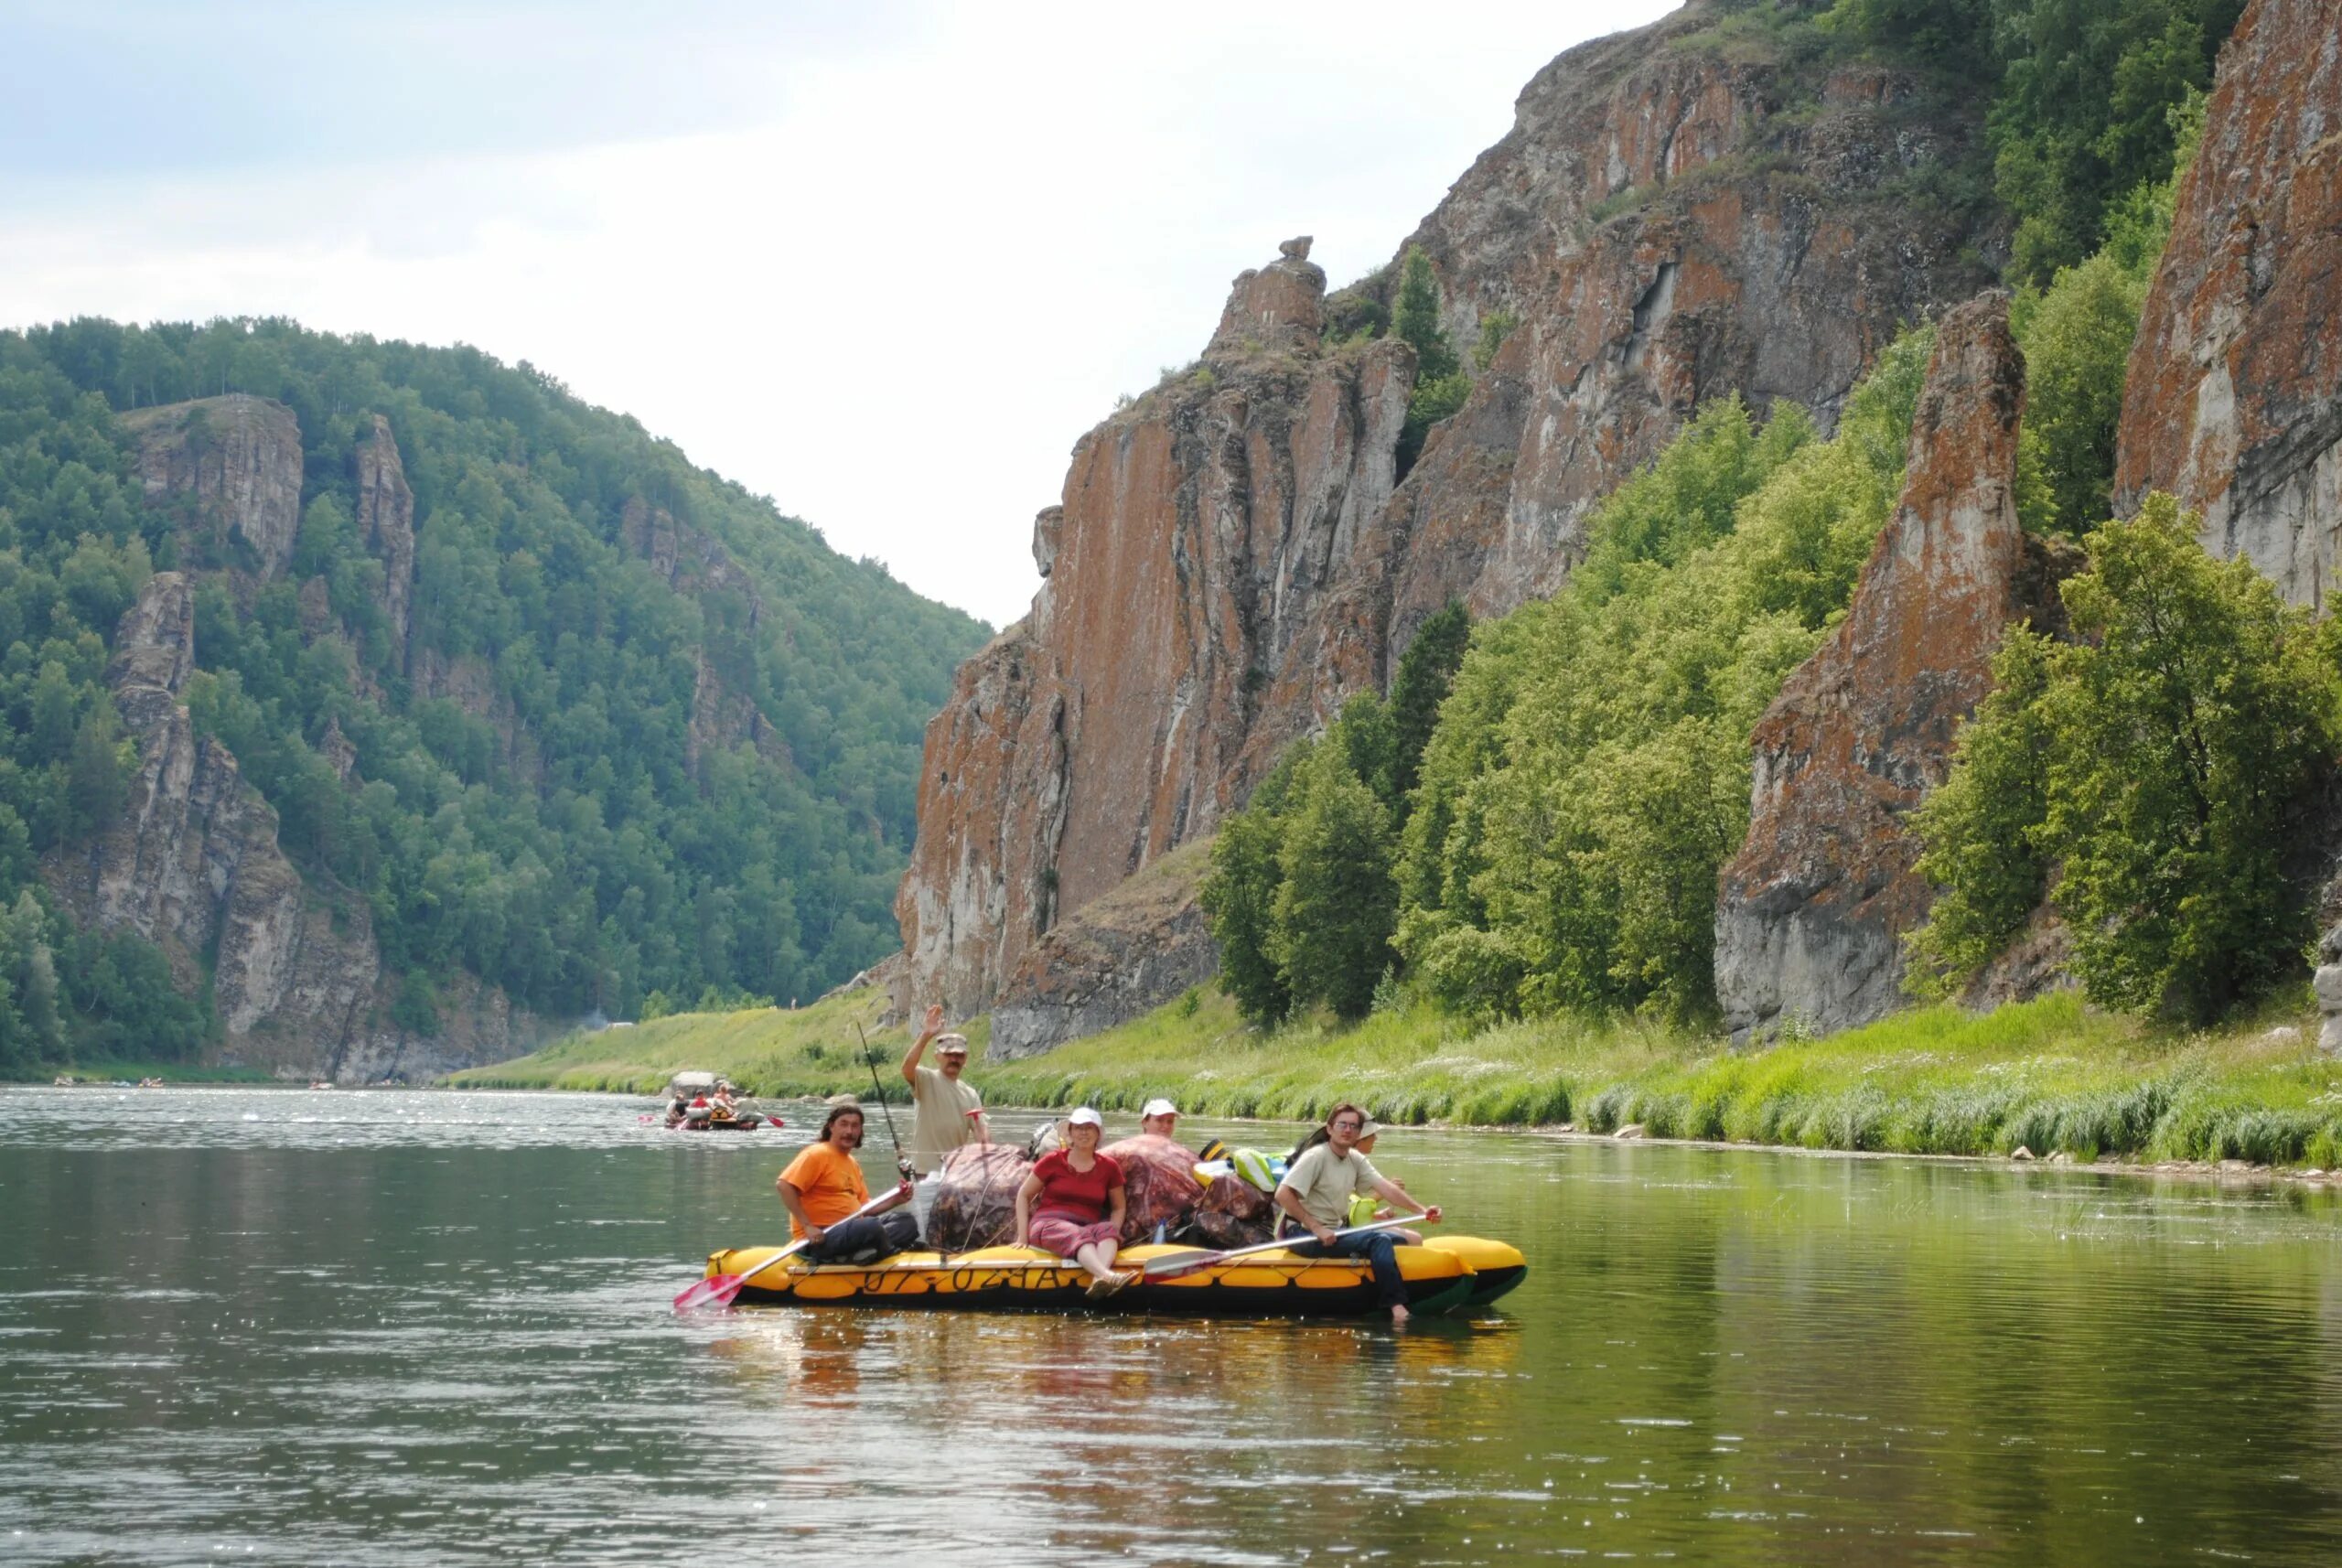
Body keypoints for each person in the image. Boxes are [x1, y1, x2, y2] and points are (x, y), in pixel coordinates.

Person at [1274, 1104, 1441, 1326]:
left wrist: (1422, 1211)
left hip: (1335, 1231)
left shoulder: (1355, 1158)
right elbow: (1283, 1194)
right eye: (1342, 1124)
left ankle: (1381, 1285)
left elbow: (1386, 1188)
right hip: (1303, 1233)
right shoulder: (1315, 1157)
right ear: (1330, 1129)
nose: (1348, 1130)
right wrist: (1316, 1227)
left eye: (1354, 1126)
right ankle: (1397, 1308)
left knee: (1402, 1239)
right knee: (1378, 1239)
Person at [775, 1103, 919, 1263]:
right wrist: (807, 1226)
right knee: (870, 1227)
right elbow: (784, 1185)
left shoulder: (852, 1163)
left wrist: (896, 1200)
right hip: (821, 1236)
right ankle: (883, 1251)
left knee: (906, 1221)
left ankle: (864, 1252)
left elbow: (865, 1208)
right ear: (831, 1127)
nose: (849, 1131)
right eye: (844, 1124)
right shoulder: (816, 1154)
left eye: (855, 1126)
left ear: (860, 1131)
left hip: (852, 1230)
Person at [1014, 1107, 1133, 1297]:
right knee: (1077, 1234)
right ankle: (1107, 1276)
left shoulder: (1109, 1167)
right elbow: (1023, 1195)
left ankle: (1098, 1281)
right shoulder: (1053, 1161)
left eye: (1089, 1128)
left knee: (1108, 1230)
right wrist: (1022, 1237)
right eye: (1078, 1128)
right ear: (1070, 1132)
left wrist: (1114, 1228)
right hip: (1048, 1224)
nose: (1084, 1132)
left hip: (1087, 1226)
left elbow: (1119, 1207)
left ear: (1097, 1133)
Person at [901, 1003, 988, 1174]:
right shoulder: (926, 1079)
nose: (954, 1059)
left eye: (959, 1055)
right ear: (937, 1056)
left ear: (965, 1059)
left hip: (954, 1175)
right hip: (924, 1173)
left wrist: (988, 1155)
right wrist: (926, 1035)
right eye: (948, 1054)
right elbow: (906, 1069)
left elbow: (981, 1131)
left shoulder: (970, 1094)